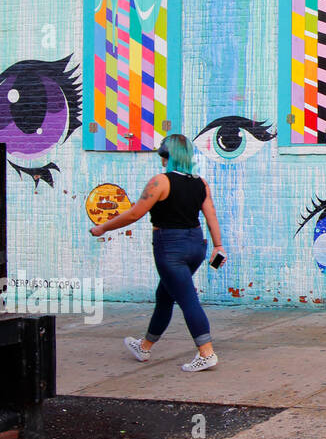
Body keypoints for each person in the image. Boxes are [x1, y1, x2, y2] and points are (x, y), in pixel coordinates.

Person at [89, 134, 225, 371]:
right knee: (165, 296)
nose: (161, 160)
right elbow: (210, 215)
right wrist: (218, 246)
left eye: (163, 155)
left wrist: (102, 227)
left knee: (187, 299)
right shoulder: (200, 183)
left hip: (170, 247)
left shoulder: (160, 182)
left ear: (169, 156)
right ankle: (144, 346)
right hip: (196, 246)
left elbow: (133, 214)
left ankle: (206, 352)